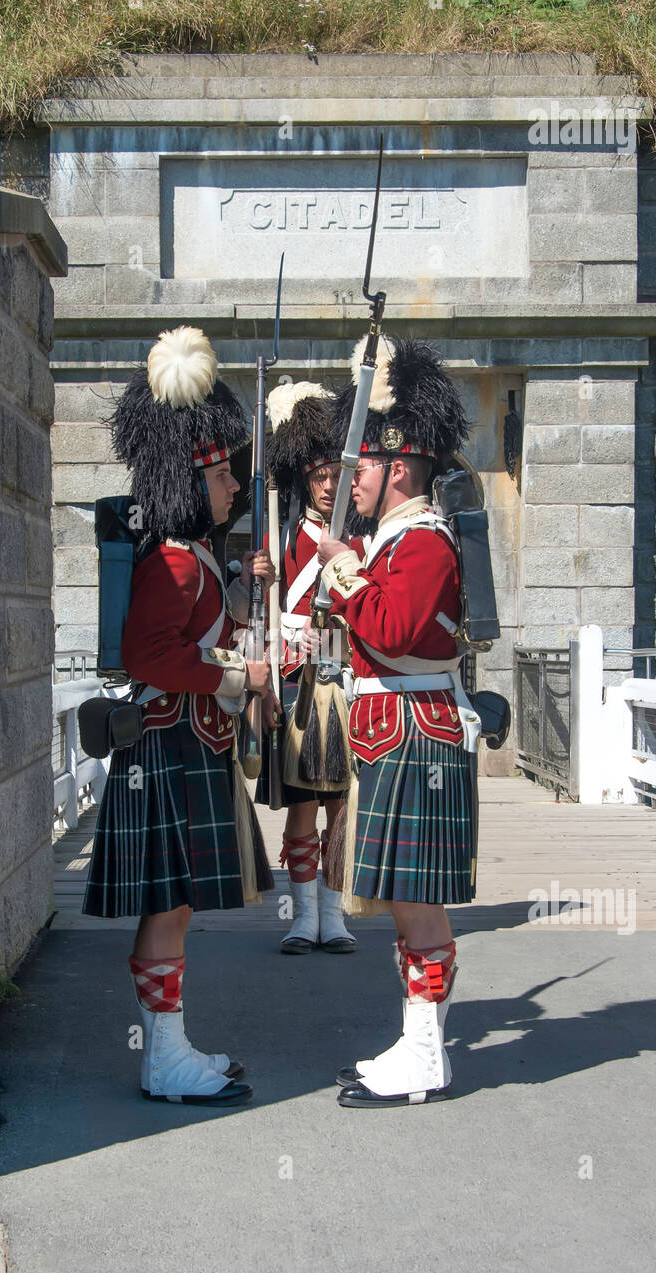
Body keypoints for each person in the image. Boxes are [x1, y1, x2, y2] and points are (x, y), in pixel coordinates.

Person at [83, 326, 277, 1106]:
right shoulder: (171, 560)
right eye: (225, 476)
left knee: (176, 907)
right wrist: (238, 674)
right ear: (196, 481)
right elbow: (151, 656)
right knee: (171, 908)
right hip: (171, 745)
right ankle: (164, 1059)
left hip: (180, 746)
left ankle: (170, 1048)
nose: (233, 488)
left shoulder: (194, 559)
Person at [314, 333, 481, 1109]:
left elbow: (394, 631)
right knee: (408, 905)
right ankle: (417, 1044)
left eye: (364, 468)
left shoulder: (422, 543)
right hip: (398, 732)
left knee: (417, 903)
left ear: (400, 469)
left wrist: (345, 574)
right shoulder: (394, 539)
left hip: (416, 733)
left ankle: (426, 1054)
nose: (350, 483)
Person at [263, 382, 367, 954]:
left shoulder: (365, 539)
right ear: (306, 480)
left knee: (342, 807)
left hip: (347, 681)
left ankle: (335, 914)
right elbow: (260, 616)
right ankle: (302, 917)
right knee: (303, 806)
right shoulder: (281, 536)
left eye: (337, 476)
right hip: (296, 682)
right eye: (320, 478)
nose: (329, 487)